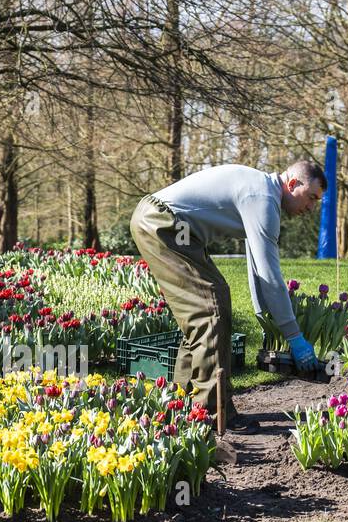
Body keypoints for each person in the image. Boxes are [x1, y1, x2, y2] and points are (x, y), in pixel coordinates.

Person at [129, 160, 325, 442]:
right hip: (163, 224)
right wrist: (294, 336)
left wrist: (264, 317)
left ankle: (181, 401)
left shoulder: (261, 193)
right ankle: (212, 410)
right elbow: (271, 276)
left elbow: (257, 268)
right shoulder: (262, 198)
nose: (311, 207)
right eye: (311, 197)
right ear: (293, 184)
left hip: (167, 224)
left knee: (206, 306)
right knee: (210, 308)